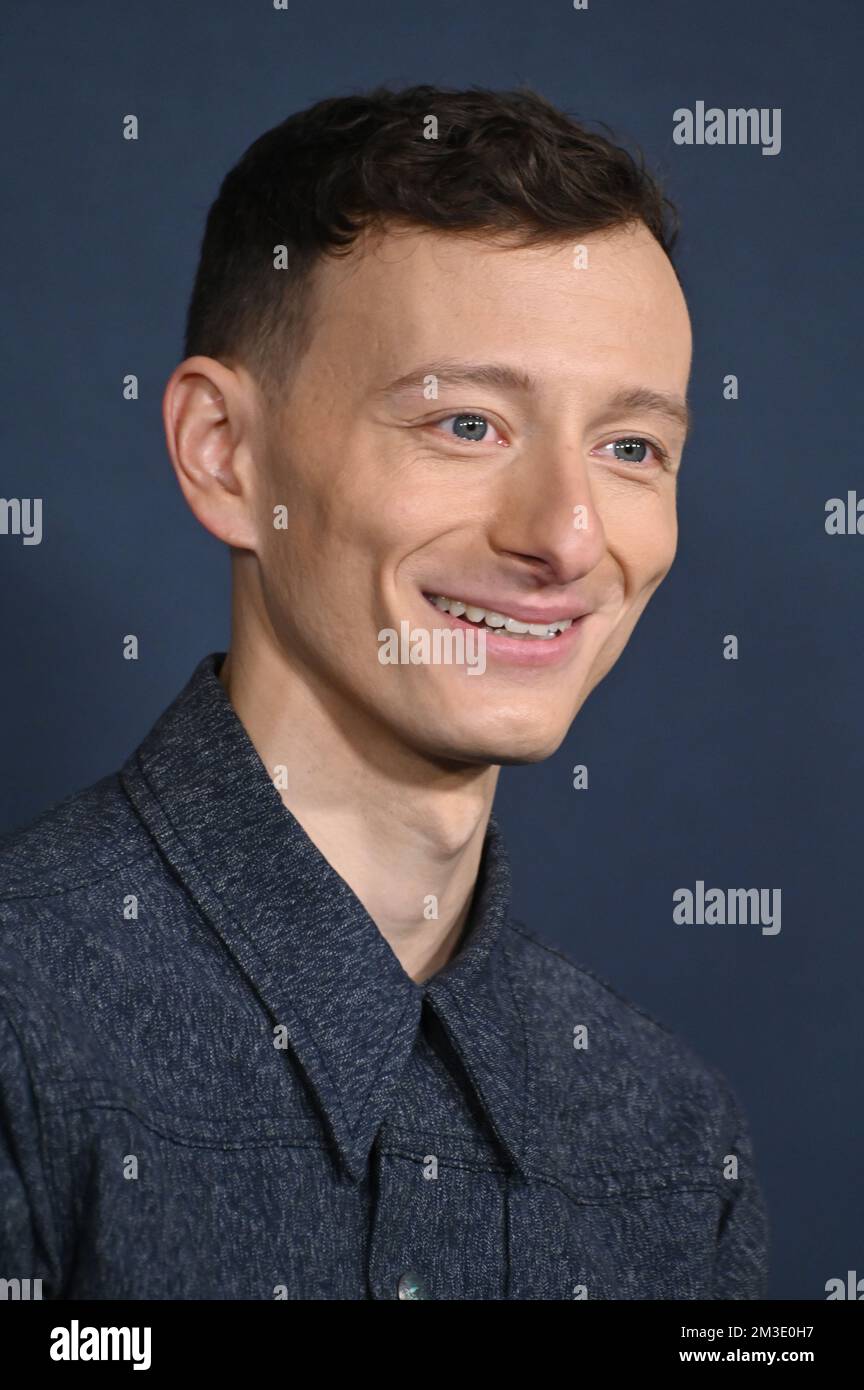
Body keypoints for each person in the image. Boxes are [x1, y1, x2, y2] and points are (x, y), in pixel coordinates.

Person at [0, 84, 768, 1300]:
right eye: (466, 422)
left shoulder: (675, 1142)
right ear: (224, 453)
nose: (567, 537)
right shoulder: (20, 1034)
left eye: (632, 448)